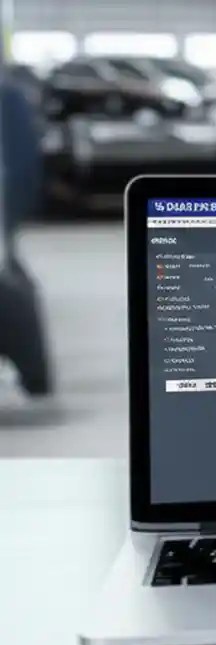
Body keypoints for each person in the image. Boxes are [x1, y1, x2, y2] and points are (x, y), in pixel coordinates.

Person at [0, 63, 54, 397]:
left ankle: (36, 377)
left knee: (12, 290)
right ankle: (36, 377)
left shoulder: (7, 98)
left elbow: (22, 171)